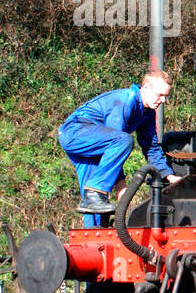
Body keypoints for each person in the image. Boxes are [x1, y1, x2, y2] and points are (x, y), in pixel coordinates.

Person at [59, 69, 184, 220]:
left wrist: (169, 177)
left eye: (166, 96)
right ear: (146, 88)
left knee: (94, 204)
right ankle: (95, 193)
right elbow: (115, 142)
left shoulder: (148, 112)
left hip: (92, 140)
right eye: (160, 95)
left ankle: (94, 235)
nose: (163, 101)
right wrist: (120, 185)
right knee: (123, 140)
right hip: (75, 132)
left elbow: (151, 147)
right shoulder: (126, 101)